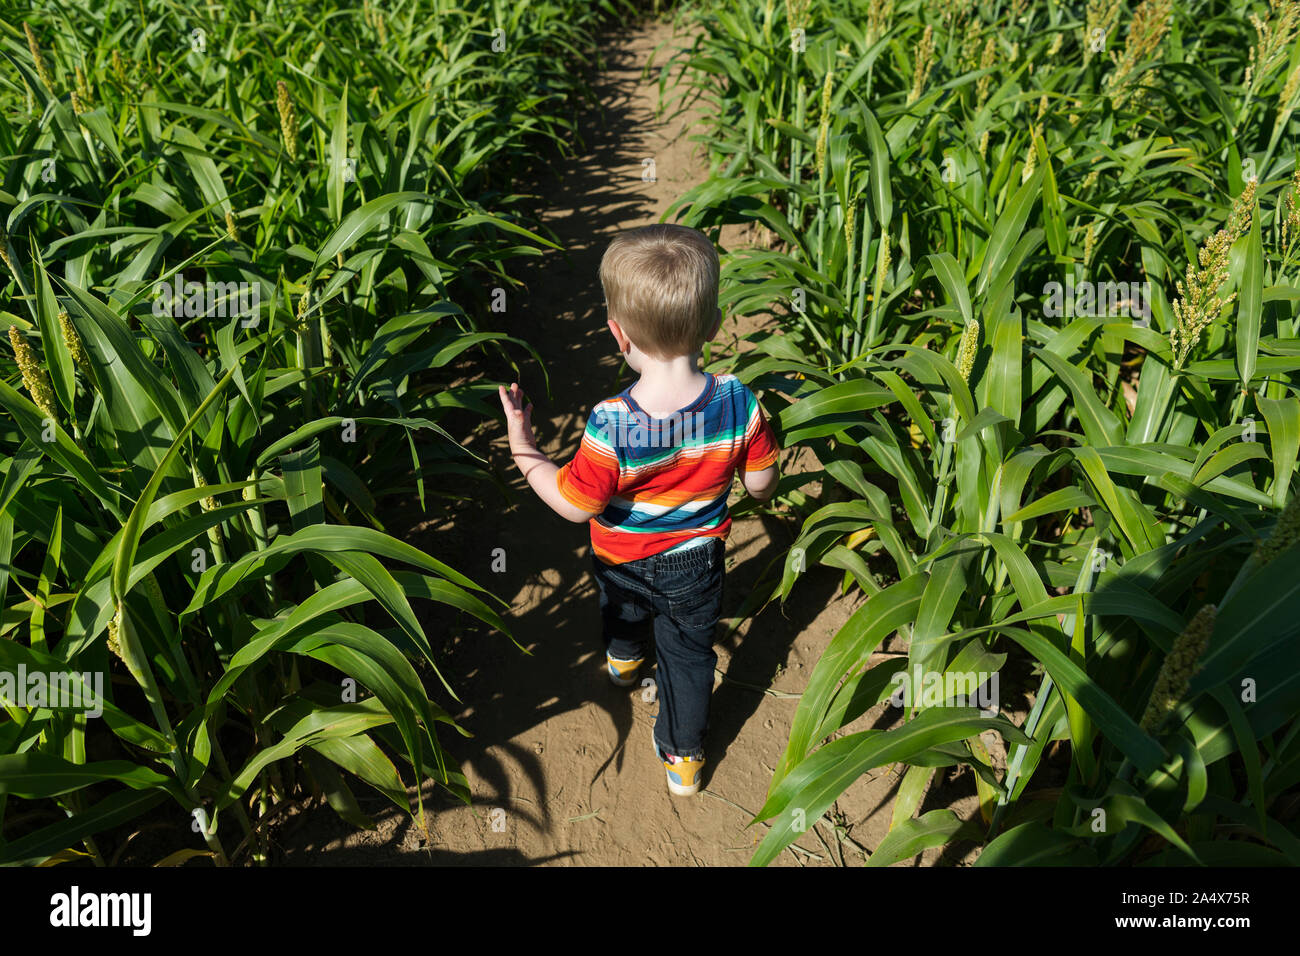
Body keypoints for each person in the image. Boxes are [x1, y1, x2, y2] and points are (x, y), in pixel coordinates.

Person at [498, 223, 779, 796]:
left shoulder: (611, 422)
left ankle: (625, 661)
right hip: (697, 564)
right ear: (716, 324)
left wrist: (524, 449)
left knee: (619, 606)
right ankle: (684, 759)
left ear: (617, 335)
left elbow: (578, 505)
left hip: (621, 557)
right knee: (689, 656)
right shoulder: (738, 402)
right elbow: (760, 485)